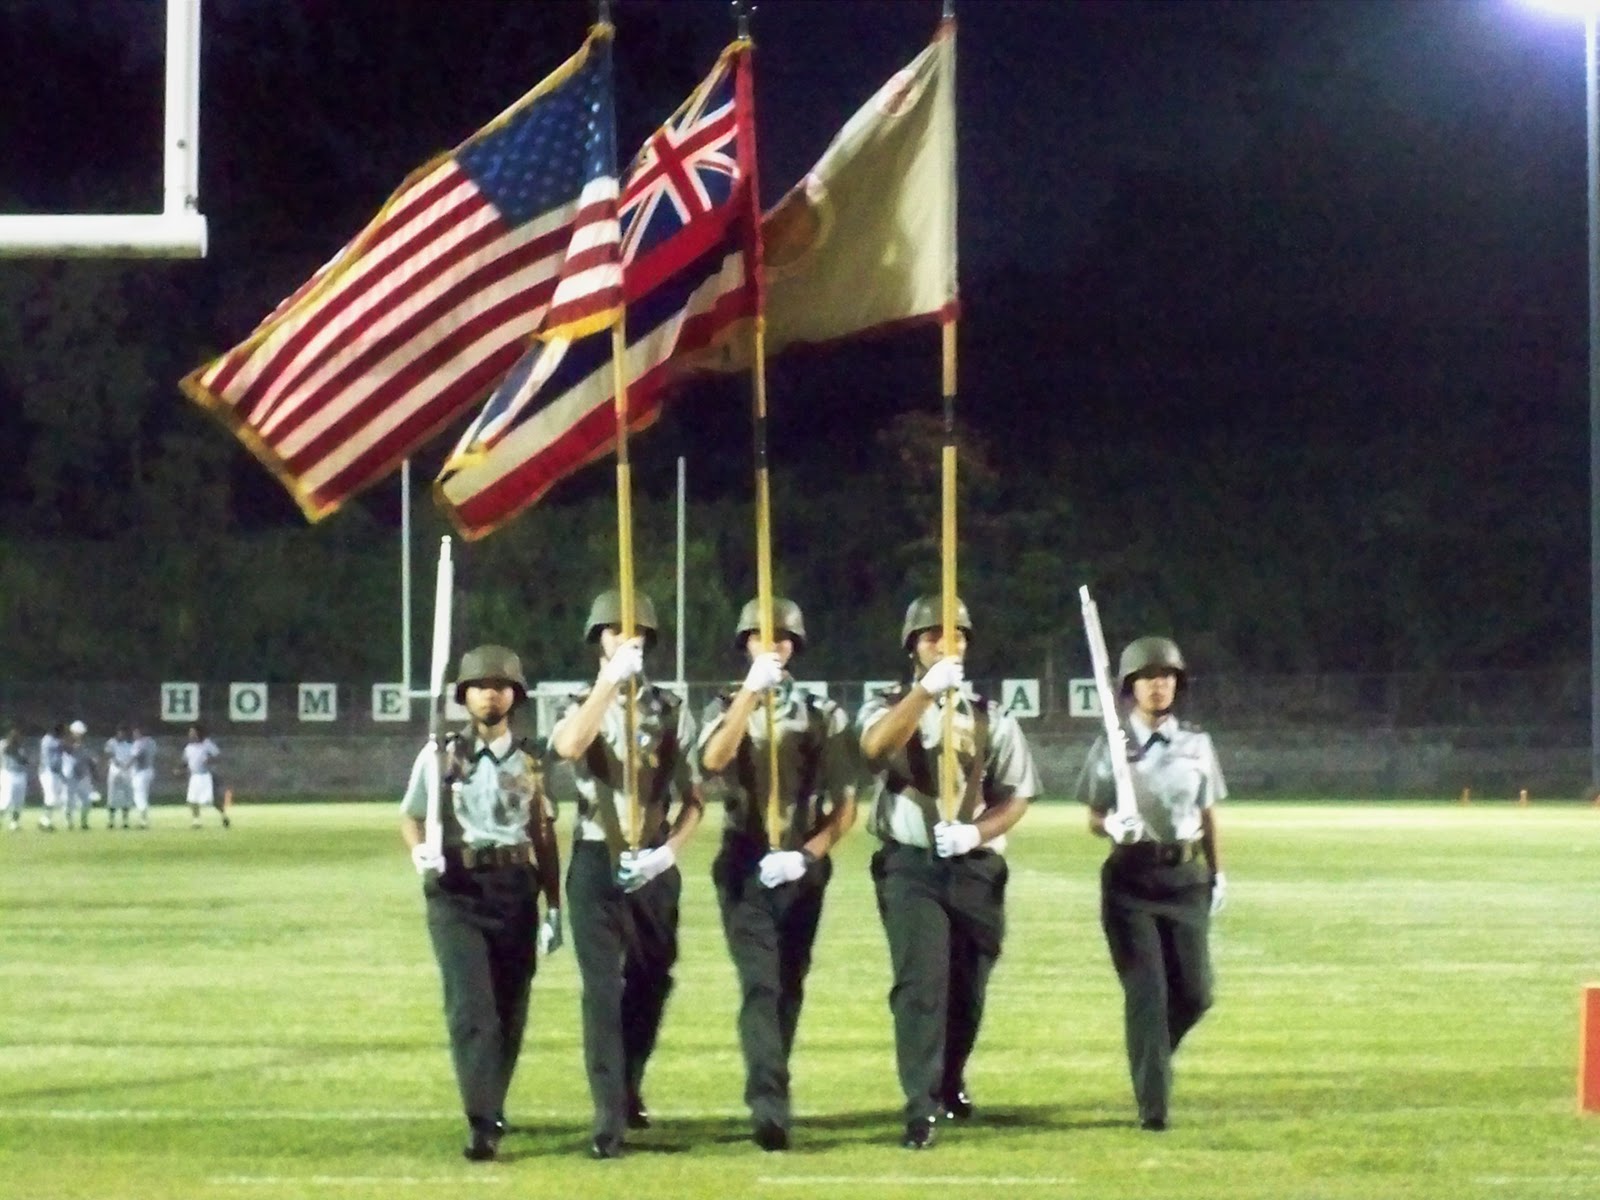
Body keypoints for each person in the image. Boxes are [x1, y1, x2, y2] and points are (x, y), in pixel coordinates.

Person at [856, 595, 1041, 1150]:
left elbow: (1017, 795)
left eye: (955, 634)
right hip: (910, 867)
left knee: (968, 990)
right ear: (912, 644)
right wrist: (925, 692)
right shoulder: (887, 704)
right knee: (921, 986)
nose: (945, 642)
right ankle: (920, 1107)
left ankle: (948, 1079)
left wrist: (976, 833)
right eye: (933, 634)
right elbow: (874, 747)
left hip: (975, 867)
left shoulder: (990, 716)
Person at [698, 598, 860, 1152]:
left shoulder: (823, 713)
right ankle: (769, 1103)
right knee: (760, 986)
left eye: (784, 638)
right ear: (745, 642)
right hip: (743, 860)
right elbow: (715, 760)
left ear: (796, 646)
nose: (775, 644)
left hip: (801, 863)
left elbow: (845, 806)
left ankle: (774, 1083)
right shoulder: (723, 704)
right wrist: (750, 692)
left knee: (788, 987)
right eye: (763, 636)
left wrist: (808, 855)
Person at [549, 588, 703, 1160]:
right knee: (601, 990)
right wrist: (611, 682)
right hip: (596, 860)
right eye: (615, 631)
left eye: (635, 632)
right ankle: (607, 1116)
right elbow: (569, 745)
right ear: (599, 641)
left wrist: (670, 854)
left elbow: (694, 797)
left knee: (651, 981)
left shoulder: (672, 709)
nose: (625, 639)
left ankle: (628, 1082)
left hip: (655, 865)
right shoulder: (575, 700)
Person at [400, 644, 562, 1163]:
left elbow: (543, 833)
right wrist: (420, 851)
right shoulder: (439, 753)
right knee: (472, 1009)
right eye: (479, 685)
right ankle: (482, 1120)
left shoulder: (533, 759)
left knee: (510, 1010)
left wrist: (554, 906)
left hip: (516, 888)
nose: (489, 693)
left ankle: (492, 1099)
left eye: (500, 685)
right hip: (457, 892)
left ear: (515, 695)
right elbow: (412, 815)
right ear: (463, 695)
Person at [1076, 635, 1227, 1133]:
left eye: (1167, 677)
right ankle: (1153, 1107)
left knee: (1196, 993)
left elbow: (1208, 813)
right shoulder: (1112, 746)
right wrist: (1111, 826)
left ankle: (1150, 1055)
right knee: (1147, 993)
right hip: (1130, 881)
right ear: (1130, 687)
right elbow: (1094, 816)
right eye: (1147, 678)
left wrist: (1218, 871)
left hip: (1185, 877)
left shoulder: (1197, 744)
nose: (1158, 686)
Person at [181, 724, 227, 829]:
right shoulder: (189, 748)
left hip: (206, 776)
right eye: (190, 732)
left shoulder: (207, 744)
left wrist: (209, 760)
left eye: (192, 732)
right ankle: (196, 821)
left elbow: (218, 756)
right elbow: (185, 761)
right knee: (192, 800)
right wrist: (180, 769)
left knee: (212, 801)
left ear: (198, 733)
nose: (190, 734)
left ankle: (223, 816)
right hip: (194, 776)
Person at [61, 719, 98, 831]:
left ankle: (84, 822)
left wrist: (94, 769)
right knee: (68, 801)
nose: (80, 735)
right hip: (69, 776)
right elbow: (67, 751)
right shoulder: (65, 743)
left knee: (87, 801)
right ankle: (69, 823)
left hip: (82, 775)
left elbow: (88, 759)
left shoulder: (84, 745)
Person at [104, 725, 137, 829]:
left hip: (126, 772)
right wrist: (118, 764)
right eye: (120, 732)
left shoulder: (129, 745)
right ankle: (111, 821)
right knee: (112, 796)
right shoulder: (111, 743)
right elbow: (109, 754)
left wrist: (127, 765)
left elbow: (133, 757)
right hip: (114, 771)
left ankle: (125, 821)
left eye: (124, 733)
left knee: (127, 797)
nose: (122, 734)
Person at [36, 723, 65, 831]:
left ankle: (44, 820)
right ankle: (45, 822)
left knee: (55, 799)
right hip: (47, 772)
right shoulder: (47, 740)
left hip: (56, 772)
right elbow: (61, 746)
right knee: (51, 797)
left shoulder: (56, 740)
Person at [129, 724, 157, 829]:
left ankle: (143, 820)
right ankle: (143, 819)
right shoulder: (152, 742)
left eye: (135, 732)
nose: (134, 735)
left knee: (139, 796)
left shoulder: (139, 743)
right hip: (149, 770)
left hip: (140, 772)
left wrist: (125, 766)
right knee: (144, 795)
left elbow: (135, 757)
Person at [2, 725, 28, 832]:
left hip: (21, 774)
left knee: (19, 802)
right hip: (8, 774)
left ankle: (14, 823)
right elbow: (6, 751)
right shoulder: (4, 745)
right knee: (6, 800)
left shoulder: (21, 748)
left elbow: (25, 761)